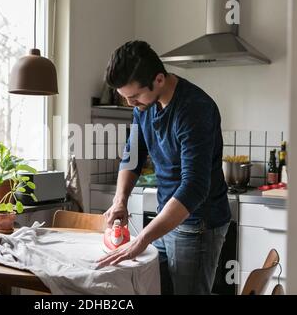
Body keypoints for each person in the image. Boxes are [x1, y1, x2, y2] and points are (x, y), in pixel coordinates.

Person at [97, 40, 231, 295]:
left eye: (134, 96)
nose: (130, 104)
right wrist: (119, 201)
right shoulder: (144, 106)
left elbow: (193, 187)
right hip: (165, 218)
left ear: (159, 80)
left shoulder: (194, 109)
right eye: (126, 98)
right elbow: (133, 155)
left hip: (197, 224)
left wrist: (143, 238)